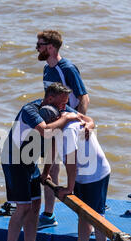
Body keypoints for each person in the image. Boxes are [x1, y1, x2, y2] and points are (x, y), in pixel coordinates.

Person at [1, 83, 94, 241]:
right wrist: (67, 119)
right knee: (23, 207)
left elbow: (86, 118)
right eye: (62, 104)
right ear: (50, 99)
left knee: (36, 205)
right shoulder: (30, 110)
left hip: (30, 161)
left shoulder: (59, 107)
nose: (64, 108)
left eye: (66, 104)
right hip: (14, 160)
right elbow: (46, 131)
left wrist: (88, 125)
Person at [39, 105, 111, 241]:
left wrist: (69, 189)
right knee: (83, 214)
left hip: (96, 173)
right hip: (83, 174)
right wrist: (45, 173)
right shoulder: (59, 125)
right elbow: (52, 151)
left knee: (96, 216)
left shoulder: (69, 130)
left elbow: (71, 163)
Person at [36, 30, 90, 229]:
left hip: (71, 125)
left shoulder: (66, 68)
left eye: (40, 45)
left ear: (51, 47)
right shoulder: (46, 69)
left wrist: (80, 123)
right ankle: (49, 214)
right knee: (51, 166)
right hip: (56, 123)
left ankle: (88, 220)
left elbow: (84, 97)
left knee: (79, 168)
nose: (37, 48)